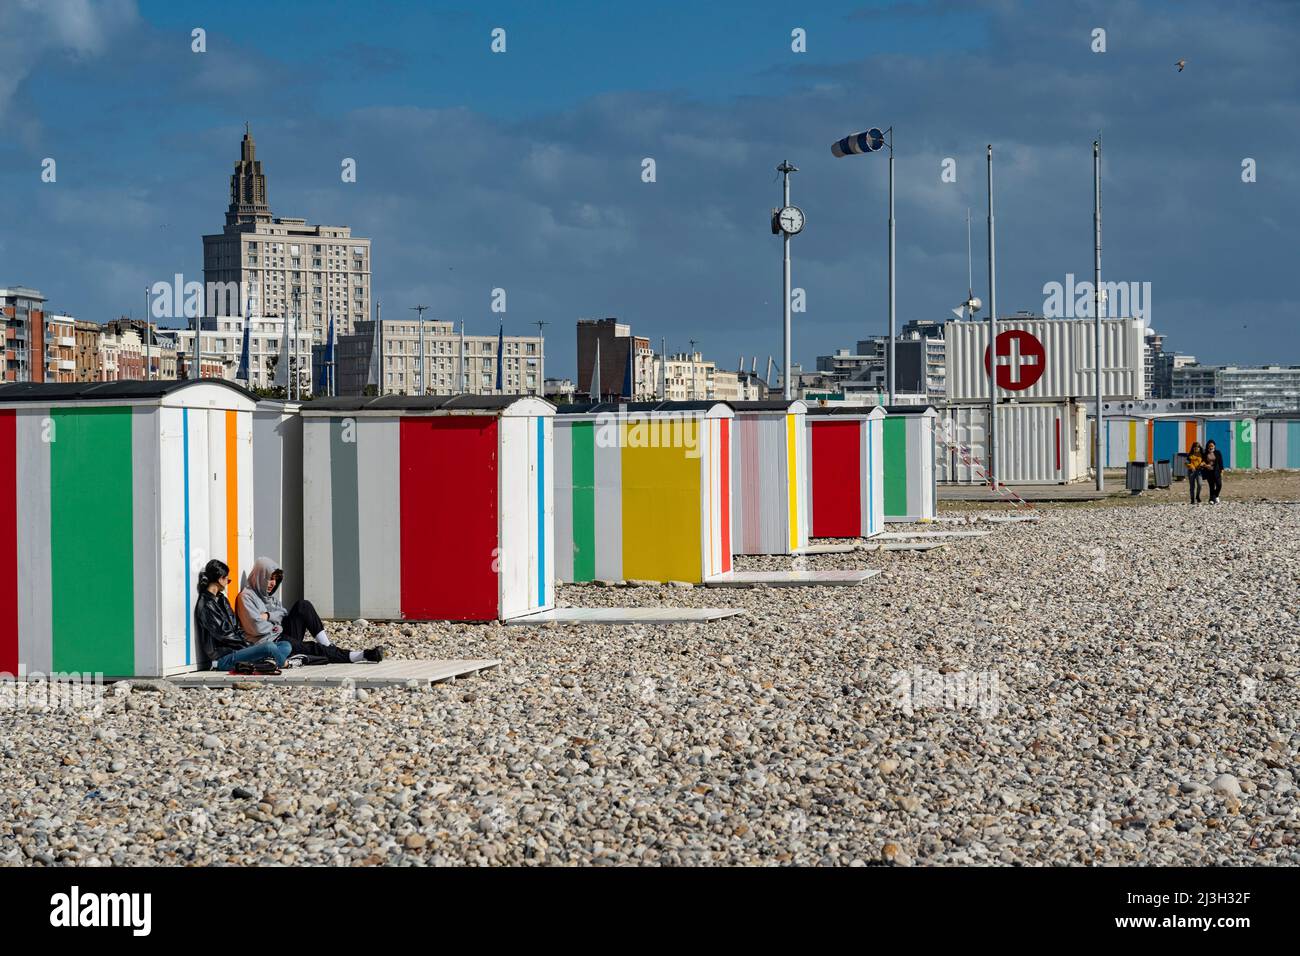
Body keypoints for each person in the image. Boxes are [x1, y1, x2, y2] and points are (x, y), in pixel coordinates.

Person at [236, 556, 385, 664]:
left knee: (303, 605)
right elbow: (256, 627)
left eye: (276, 579)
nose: (272, 583)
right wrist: (276, 622)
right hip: (271, 642)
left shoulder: (268, 596)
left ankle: (328, 645)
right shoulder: (246, 597)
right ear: (260, 576)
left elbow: (283, 613)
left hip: (280, 633)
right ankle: (362, 655)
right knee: (312, 648)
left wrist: (268, 615)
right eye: (269, 578)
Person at [194, 559, 291, 671]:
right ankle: (282, 663)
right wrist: (248, 646)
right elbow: (225, 635)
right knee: (269, 647)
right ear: (220, 579)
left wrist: (250, 646)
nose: (227, 582)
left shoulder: (222, 599)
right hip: (223, 658)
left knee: (285, 645)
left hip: (238, 650)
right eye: (227, 579)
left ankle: (265, 663)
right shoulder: (207, 605)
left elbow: (236, 628)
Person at [1203, 439, 1225, 504]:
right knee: (1211, 486)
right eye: (1209, 446)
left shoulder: (1218, 452)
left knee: (1219, 485)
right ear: (1207, 446)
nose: (1211, 447)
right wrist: (1205, 465)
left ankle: (1216, 495)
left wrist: (1222, 470)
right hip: (1209, 472)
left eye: (1212, 446)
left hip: (1217, 472)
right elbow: (1202, 462)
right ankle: (1211, 499)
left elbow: (1220, 462)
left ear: (1214, 446)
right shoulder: (1205, 453)